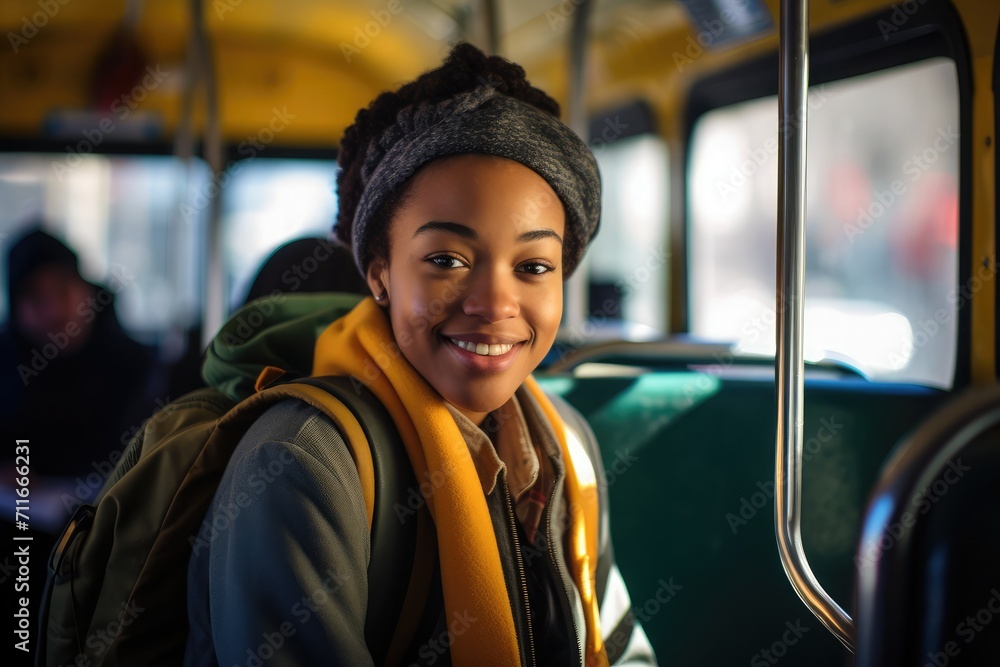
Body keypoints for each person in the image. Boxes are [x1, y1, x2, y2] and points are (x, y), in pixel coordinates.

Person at [185, 43, 656, 666]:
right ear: (380, 273)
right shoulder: (302, 461)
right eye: (446, 261)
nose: (494, 303)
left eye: (534, 266)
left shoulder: (568, 443)